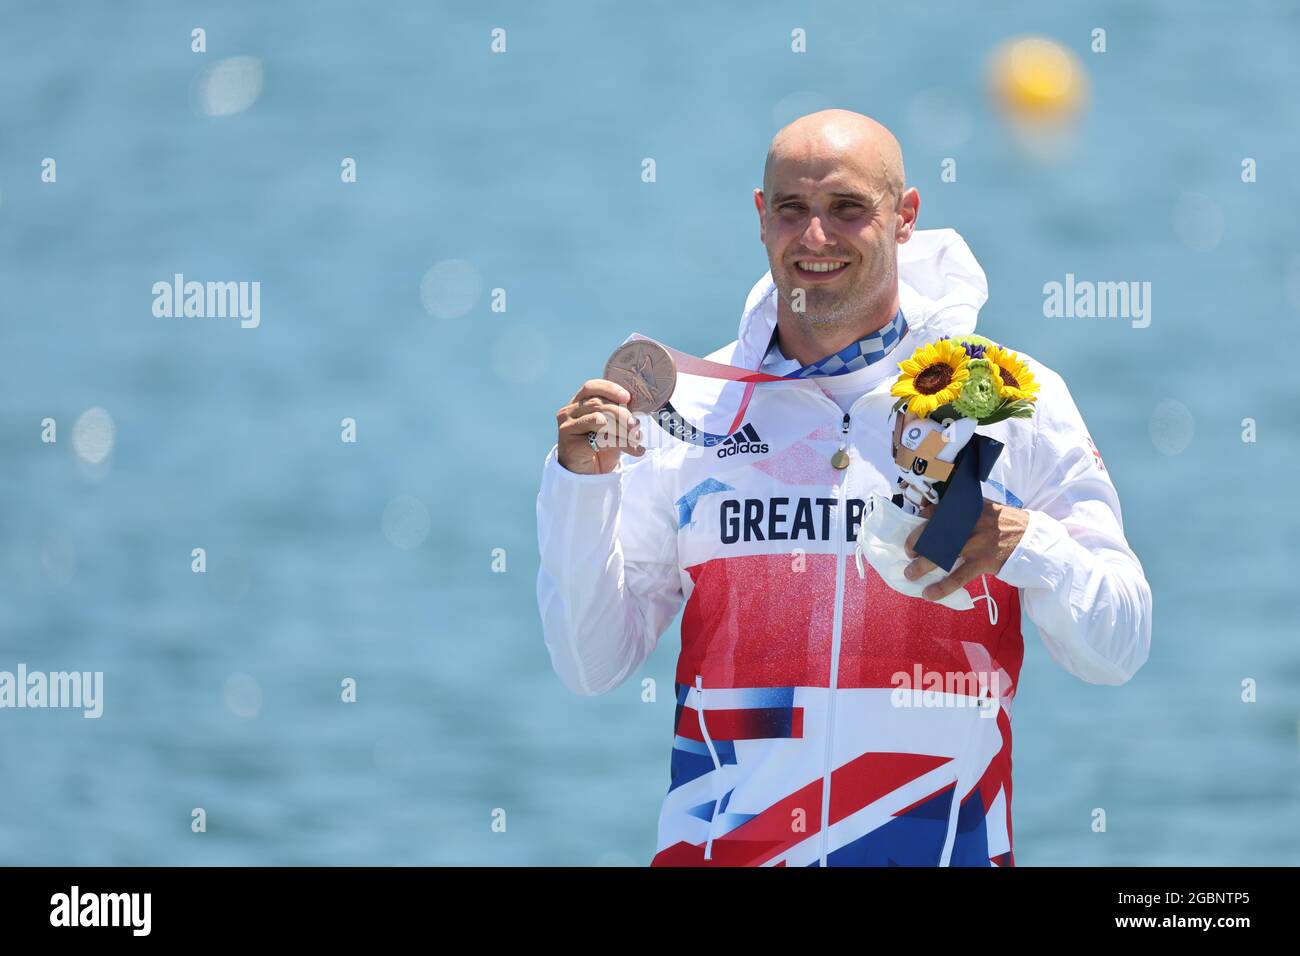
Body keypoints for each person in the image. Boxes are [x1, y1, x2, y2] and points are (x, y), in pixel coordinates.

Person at [535, 109, 1152, 867]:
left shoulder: (1010, 399)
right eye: (793, 210)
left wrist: (1030, 546)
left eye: (848, 210)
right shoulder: (693, 412)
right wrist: (579, 489)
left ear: (905, 219)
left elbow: (1119, 646)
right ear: (762, 218)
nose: (816, 238)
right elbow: (589, 664)